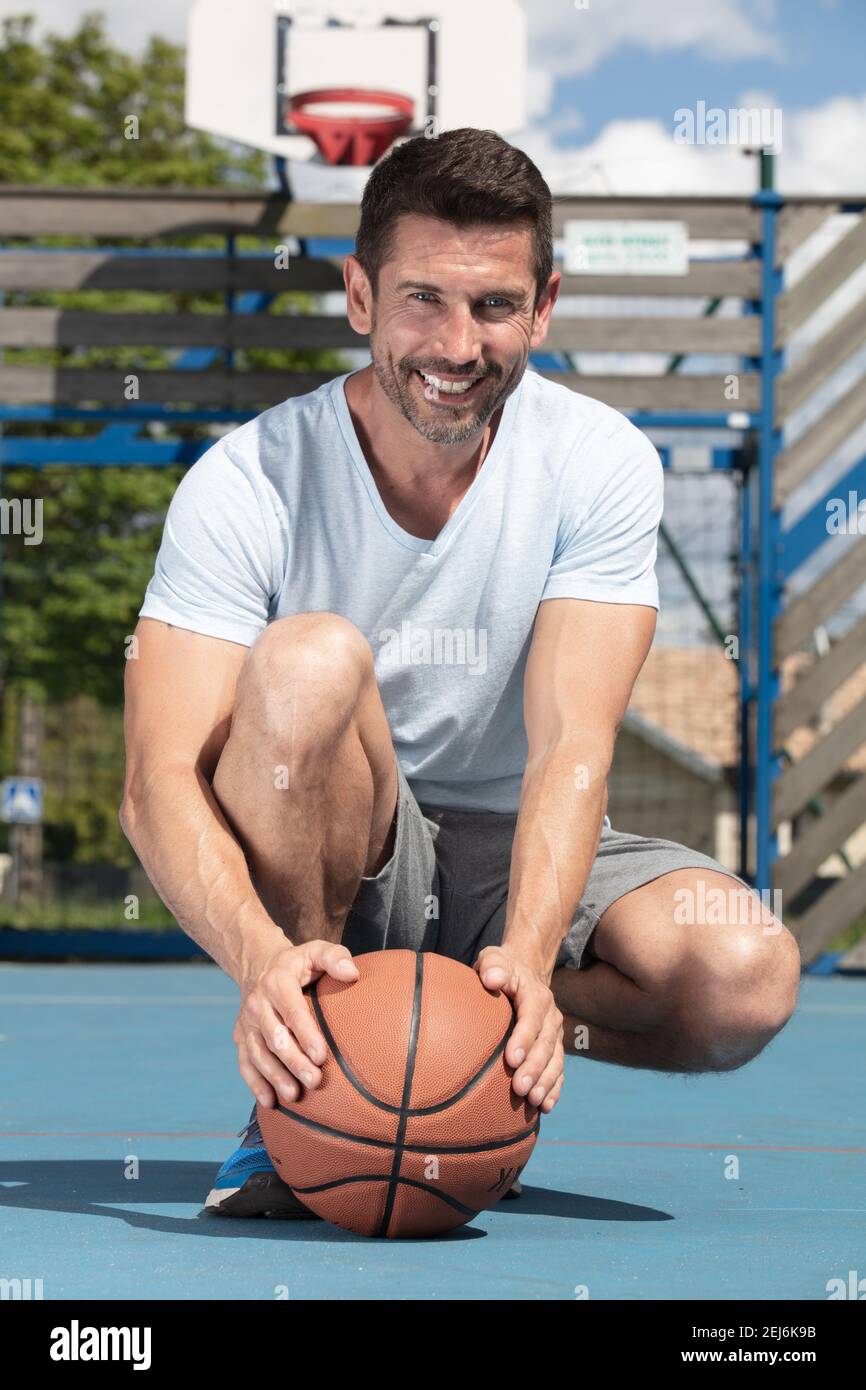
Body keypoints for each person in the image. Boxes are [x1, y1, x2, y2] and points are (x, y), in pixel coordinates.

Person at [121, 128, 800, 1220]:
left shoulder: (596, 459)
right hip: (347, 833)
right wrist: (260, 966)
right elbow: (156, 779)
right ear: (357, 295)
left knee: (743, 972)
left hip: (508, 842)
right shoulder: (246, 478)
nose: (455, 341)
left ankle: (463, 1050)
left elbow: (574, 745)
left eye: (492, 305)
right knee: (304, 660)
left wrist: (527, 966)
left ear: (541, 307)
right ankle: (313, 1061)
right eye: (422, 299)